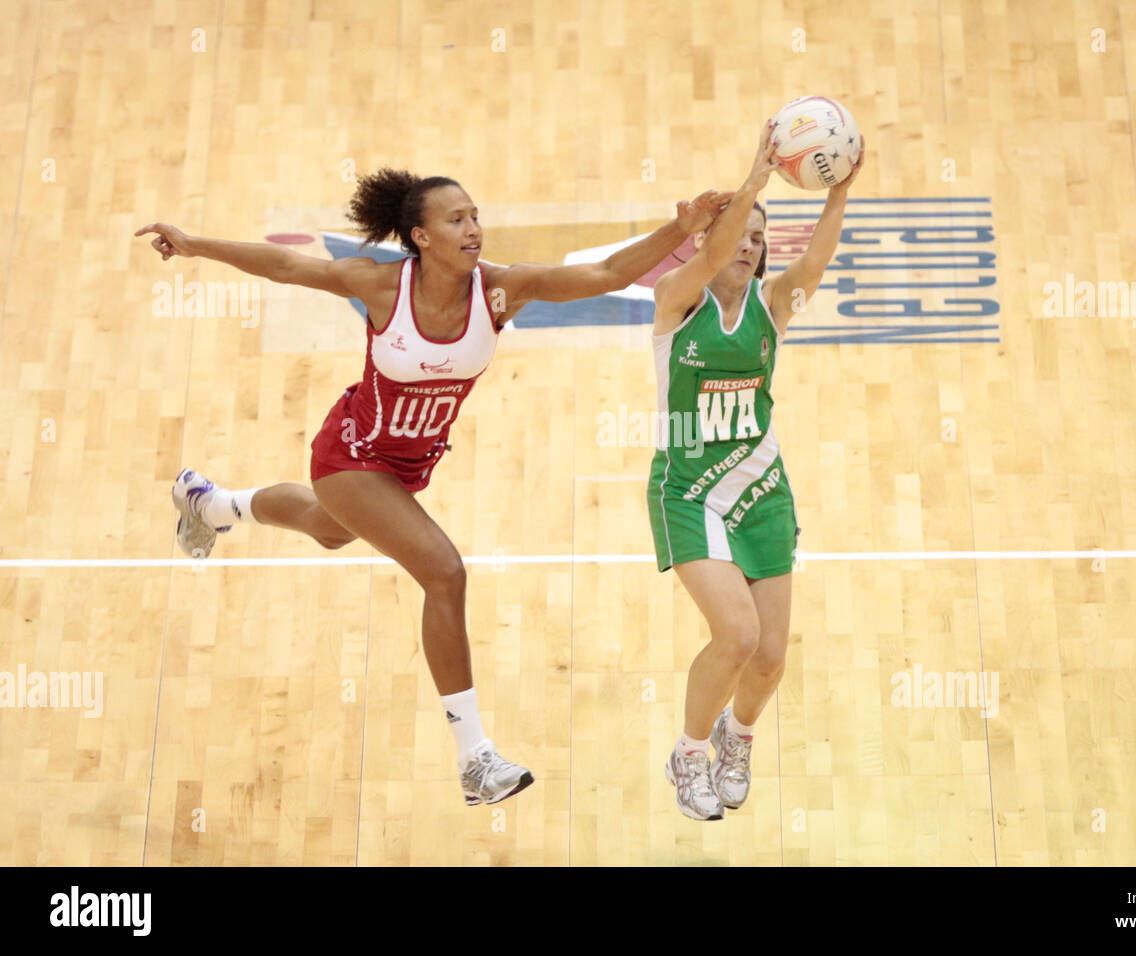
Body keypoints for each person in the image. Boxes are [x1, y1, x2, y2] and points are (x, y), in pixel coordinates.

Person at [137, 172, 729, 807]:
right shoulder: (379, 285)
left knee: (329, 528)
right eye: (456, 220)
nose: (473, 228)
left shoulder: (501, 291)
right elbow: (284, 265)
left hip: (409, 466)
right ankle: (475, 758)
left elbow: (608, 274)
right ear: (420, 236)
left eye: (475, 216)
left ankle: (210, 504)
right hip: (351, 456)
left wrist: (682, 227)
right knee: (444, 573)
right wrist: (195, 244)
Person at [648, 125, 863, 819]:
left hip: (762, 490)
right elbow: (710, 251)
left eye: (756, 237)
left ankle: (734, 737)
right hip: (687, 490)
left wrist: (839, 196)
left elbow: (815, 270)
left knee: (769, 657)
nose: (746, 244)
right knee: (735, 634)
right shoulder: (678, 301)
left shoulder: (773, 311)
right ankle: (687, 756)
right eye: (737, 233)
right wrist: (751, 185)